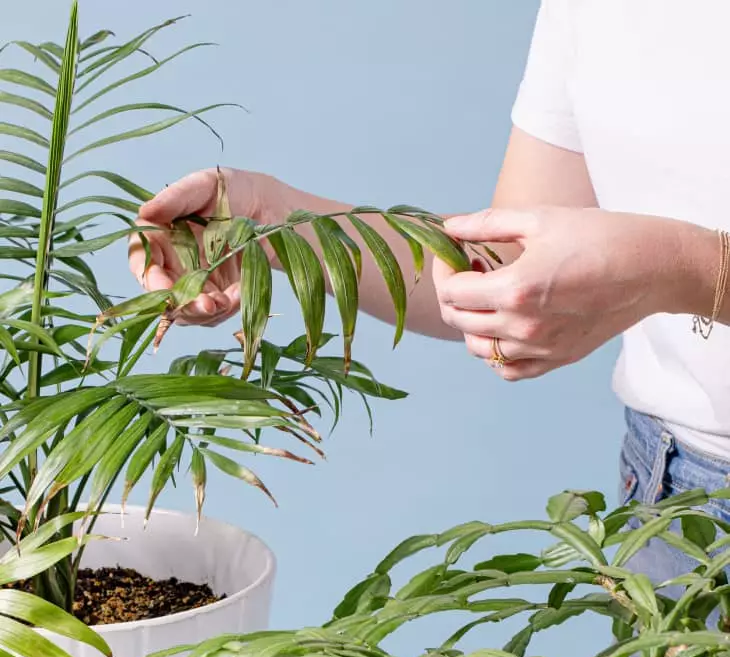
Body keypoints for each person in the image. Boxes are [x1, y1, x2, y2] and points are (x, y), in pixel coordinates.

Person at [129, 0, 730, 584]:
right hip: (674, 491)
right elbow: (500, 263)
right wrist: (272, 223)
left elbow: (659, 263)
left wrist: (681, 268)